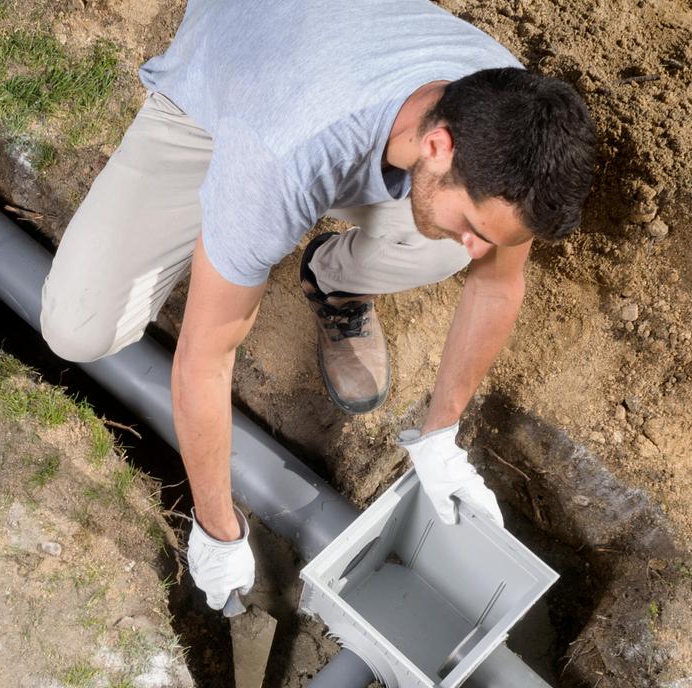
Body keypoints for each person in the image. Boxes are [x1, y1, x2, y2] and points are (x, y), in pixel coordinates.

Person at [38, 0, 595, 611]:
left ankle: (331, 275)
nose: (479, 245)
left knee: (448, 250)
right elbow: (205, 356)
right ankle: (228, 229)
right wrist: (219, 528)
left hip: (330, 64)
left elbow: (495, 283)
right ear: (438, 144)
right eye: (473, 222)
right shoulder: (280, 156)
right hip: (234, 96)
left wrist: (441, 435)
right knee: (78, 329)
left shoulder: (504, 110)